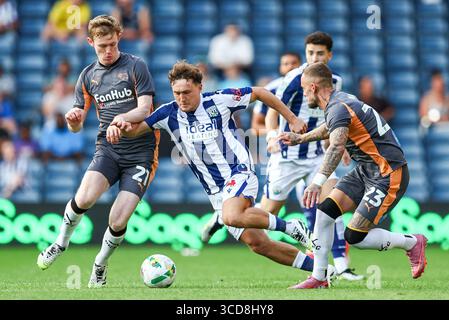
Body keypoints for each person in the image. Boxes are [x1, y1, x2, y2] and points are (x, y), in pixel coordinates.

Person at [107, 61, 337, 282]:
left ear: (200, 86)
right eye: (176, 93)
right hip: (216, 192)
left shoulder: (220, 100)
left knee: (230, 216)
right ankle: (322, 270)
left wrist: (292, 118)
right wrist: (123, 127)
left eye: (186, 92)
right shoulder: (168, 113)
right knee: (259, 244)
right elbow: (137, 130)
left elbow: (259, 92)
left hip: (239, 172)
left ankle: (291, 227)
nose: (181, 98)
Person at [205, 31, 361, 280]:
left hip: (317, 155)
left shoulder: (335, 82)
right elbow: (271, 110)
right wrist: (272, 136)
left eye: (320, 53)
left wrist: (342, 145)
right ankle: (224, 217)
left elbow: (337, 116)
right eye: (310, 52)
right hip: (287, 156)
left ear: (329, 55)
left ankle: (340, 266)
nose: (315, 57)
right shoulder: (293, 79)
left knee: (332, 204)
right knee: (264, 216)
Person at [279, 62, 428, 289]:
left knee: (355, 236)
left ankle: (412, 243)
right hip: (366, 170)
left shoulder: (337, 107)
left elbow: (337, 146)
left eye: (304, 89)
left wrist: (317, 183)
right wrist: (301, 138)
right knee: (325, 213)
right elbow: (331, 128)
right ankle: (319, 277)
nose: (303, 93)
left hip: (388, 173)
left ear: (313, 87)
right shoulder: (340, 101)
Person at [37, 15, 158, 289]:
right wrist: (74, 120)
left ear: (119, 38)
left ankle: (100, 264)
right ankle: (60, 243)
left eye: (113, 44)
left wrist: (120, 120)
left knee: (118, 218)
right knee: (84, 197)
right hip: (109, 149)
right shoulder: (87, 76)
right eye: (102, 46)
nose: (108, 51)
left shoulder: (136, 66)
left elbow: (145, 109)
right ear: (90, 42)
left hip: (140, 154)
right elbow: (77, 128)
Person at [251, 52, 302, 136]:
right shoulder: (269, 90)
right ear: (280, 67)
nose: (290, 66)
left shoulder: (309, 88)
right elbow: (255, 127)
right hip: (279, 142)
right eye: (285, 64)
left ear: (300, 66)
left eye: (294, 63)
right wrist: (278, 131)